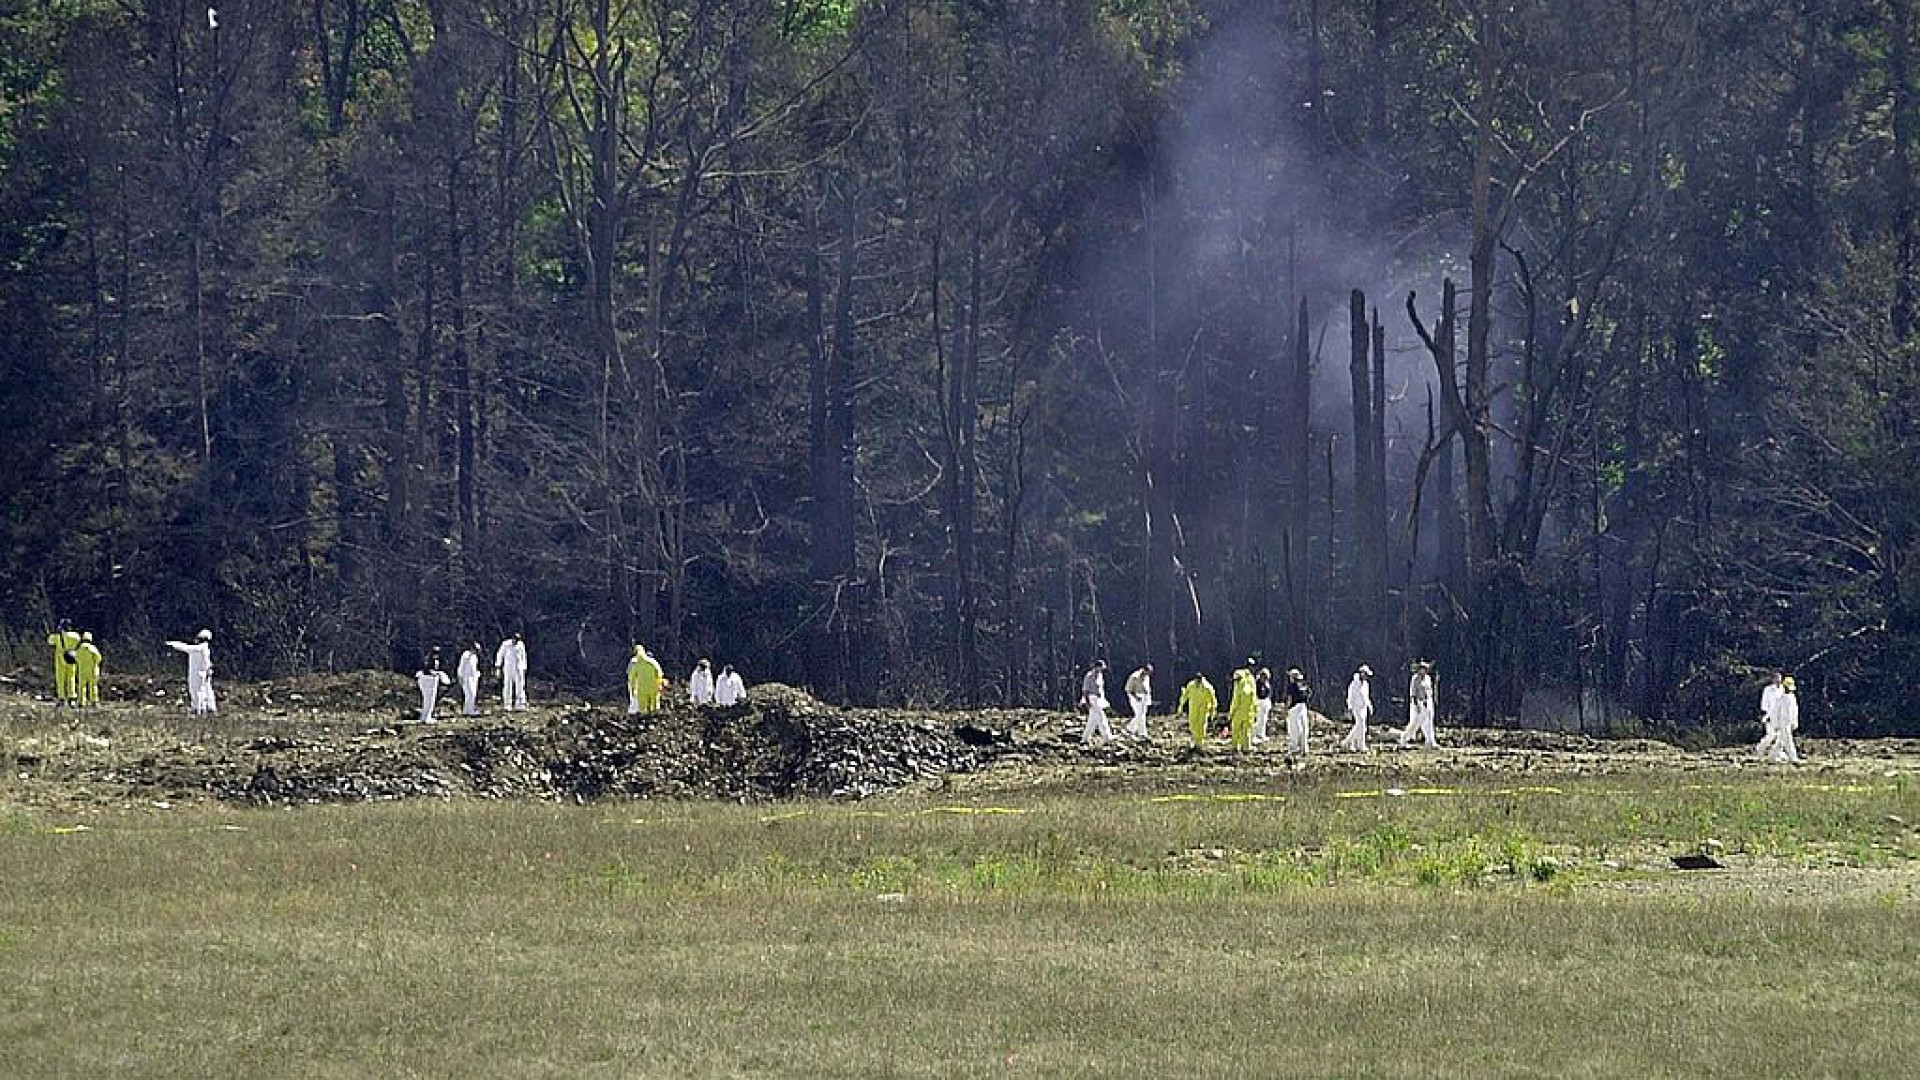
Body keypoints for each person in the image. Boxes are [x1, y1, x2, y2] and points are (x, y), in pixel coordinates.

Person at [167, 629, 216, 715]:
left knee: (197, 691)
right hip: (201, 673)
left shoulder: (200, 648)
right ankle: (206, 708)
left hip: (198, 674)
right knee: (204, 690)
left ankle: (198, 709)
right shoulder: (204, 648)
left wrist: (173, 644)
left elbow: (186, 647)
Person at [1398, 661, 1438, 749]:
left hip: (1428, 702)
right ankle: (1404, 739)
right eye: (1421, 669)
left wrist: (1431, 701)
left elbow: (1430, 690)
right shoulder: (1415, 679)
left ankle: (1430, 741)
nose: (1423, 671)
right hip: (1418, 702)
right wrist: (1417, 706)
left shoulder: (1428, 678)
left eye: (1425, 669)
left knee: (1429, 722)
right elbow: (1413, 694)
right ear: (1419, 670)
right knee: (1415, 723)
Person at [1767, 676, 1803, 764]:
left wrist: (1795, 722)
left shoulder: (1792, 698)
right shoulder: (1780, 699)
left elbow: (1795, 712)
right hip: (1783, 723)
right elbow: (1776, 713)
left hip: (1789, 722)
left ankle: (1772, 756)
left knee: (1781, 741)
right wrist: (1776, 724)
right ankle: (1793, 757)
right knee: (1788, 740)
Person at [1339, 664, 1373, 752]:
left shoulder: (1366, 684)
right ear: (1361, 673)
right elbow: (1350, 696)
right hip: (1356, 707)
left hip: (1363, 707)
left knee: (1362, 727)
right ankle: (1347, 743)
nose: (1366, 677)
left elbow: (1366, 696)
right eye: (1365, 674)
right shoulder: (1354, 684)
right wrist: (1350, 707)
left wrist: (1369, 706)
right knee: (1359, 725)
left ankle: (1355, 745)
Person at [1179, 672, 1217, 748]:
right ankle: (1195, 741)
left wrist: (1213, 711)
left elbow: (1213, 700)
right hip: (1193, 709)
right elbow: (1185, 695)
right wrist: (1181, 706)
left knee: (1201, 726)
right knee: (1193, 725)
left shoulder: (1207, 687)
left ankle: (1199, 743)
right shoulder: (1191, 685)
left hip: (1203, 709)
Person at [49, 620, 81, 707]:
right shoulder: (76, 636)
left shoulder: (57, 636)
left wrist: (57, 632)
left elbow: (50, 641)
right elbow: (79, 642)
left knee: (60, 680)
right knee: (71, 679)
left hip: (60, 660)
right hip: (71, 658)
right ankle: (72, 698)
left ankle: (61, 698)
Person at [1080, 660, 1113, 746]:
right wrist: (1087, 702)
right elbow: (1085, 690)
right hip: (1092, 698)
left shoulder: (1100, 676)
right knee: (1101, 717)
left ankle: (1085, 738)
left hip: (1099, 698)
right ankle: (1107, 736)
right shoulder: (1089, 676)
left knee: (1092, 720)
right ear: (1097, 667)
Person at [1755, 671, 1786, 758]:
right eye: (1776, 678)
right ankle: (1760, 748)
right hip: (1770, 715)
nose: (1778, 680)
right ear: (1773, 679)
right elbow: (1764, 704)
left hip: (1781, 716)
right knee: (1771, 735)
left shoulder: (1784, 689)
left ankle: (1778, 752)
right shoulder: (1768, 690)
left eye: (1779, 678)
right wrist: (1766, 715)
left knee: (1781, 736)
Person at [1283, 667, 1313, 756]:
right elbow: (1309, 693)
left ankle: (1294, 748)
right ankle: (1304, 748)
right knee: (1304, 728)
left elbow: (1289, 698)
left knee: (1294, 729)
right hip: (1303, 707)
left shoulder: (1292, 686)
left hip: (1294, 708)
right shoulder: (1303, 684)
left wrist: (1286, 709)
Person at [1226, 664, 1257, 751]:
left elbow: (1236, 701)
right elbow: (1254, 697)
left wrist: (1231, 714)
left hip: (1239, 712)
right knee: (1247, 731)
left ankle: (1235, 746)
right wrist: (1255, 710)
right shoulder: (1251, 680)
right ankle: (1246, 747)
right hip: (1249, 711)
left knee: (1236, 730)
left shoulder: (1239, 685)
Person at [495, 633, 528, 711]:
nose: (515, 642)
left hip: (519, 668)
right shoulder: (506, 644)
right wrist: (498, 666)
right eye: (514, 640)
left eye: (517, 640)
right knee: (507, 686)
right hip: (508, 668)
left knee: (520, 686)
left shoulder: (521, 645)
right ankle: (507, 704)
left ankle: (520, 704)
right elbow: (500, 654)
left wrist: (524, 667)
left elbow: (524, 656)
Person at [628, 644, 664, 715]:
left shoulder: (636, 664)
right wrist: (659, 684)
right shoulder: (652, 662)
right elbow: (659, 673)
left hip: (642, 689)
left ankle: (645, 719)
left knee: (643, 706)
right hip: (654, 687)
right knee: (655, 703)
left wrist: (632, 689)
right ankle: (655, 717)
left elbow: (631, 678)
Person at [416, 654, 451, 724]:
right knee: (429, 700)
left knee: (427, 700)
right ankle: (426, 718)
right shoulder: (431, 662)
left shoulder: (427, 660)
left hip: (426, 679)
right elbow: (433, 670)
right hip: (430, 680)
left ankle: (424, 717)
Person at [1124, 663, 1154, 739]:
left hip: (1145, 697)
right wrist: (1136, 697)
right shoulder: (1135, 677)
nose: (1149, 674)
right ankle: (1130, 729)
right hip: (1136, 696)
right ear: (1144, 670)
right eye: (1148, 672)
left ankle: (1140, 732)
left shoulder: (1147, 677)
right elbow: (1128, 689)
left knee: (1142, 715)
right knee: (1139, 715)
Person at [75, 632, 103, 708]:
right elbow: (98, 658)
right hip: (92, 670)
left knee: (82, 687)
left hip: (82, 670)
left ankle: (82, 702)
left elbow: (76, 659)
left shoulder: (79, 649)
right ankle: (94, 701)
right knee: (93, 686)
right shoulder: (92, 648)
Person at [457, 643, 482, 716]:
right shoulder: (466, 655)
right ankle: (470, 711)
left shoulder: (475, 657)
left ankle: (466, 710)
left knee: (471, 694)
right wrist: (460, 676)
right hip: (466, 677)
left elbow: (474, 668)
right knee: (470, 694)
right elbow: (461, 666)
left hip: (473, 678)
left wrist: (477, 674)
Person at [1253, 666, 1274, 744]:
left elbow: (1269, 693)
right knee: (1257, 720)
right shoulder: (1257, 683)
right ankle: (1254, 735)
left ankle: (1261, 734)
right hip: (1258, 702)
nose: (1265, 679)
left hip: (1265, 702)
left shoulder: (1267, 684)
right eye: (1264, 677)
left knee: (1263, 720)